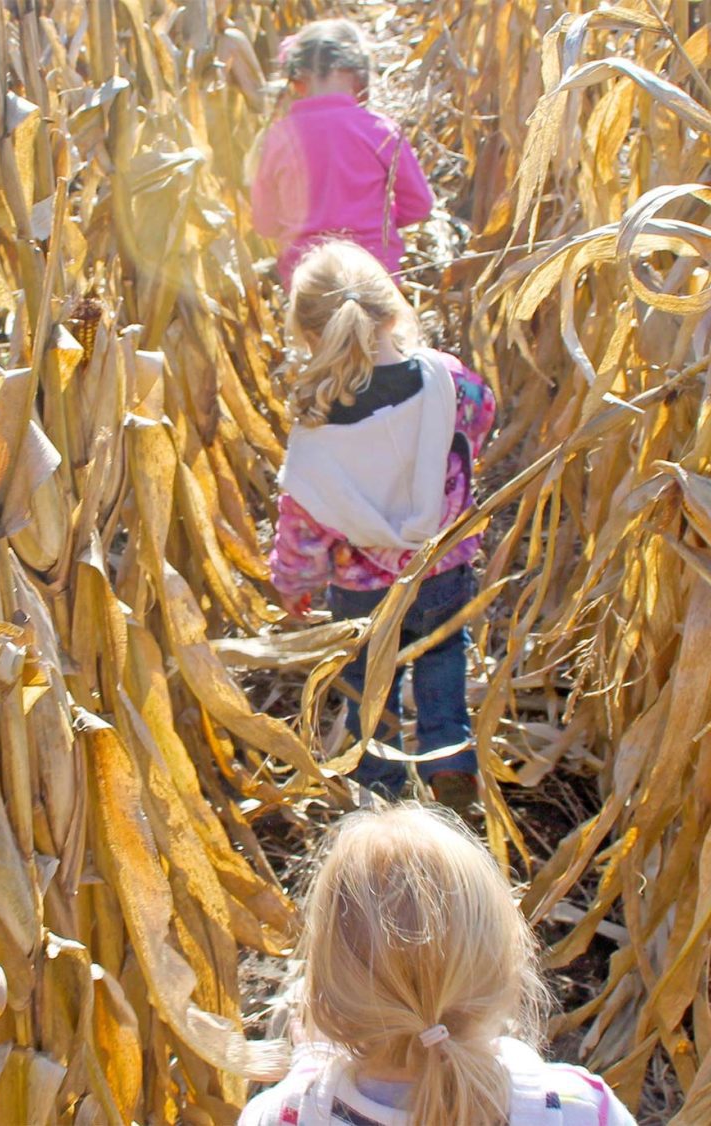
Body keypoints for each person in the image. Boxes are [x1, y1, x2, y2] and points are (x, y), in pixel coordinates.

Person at [240, 805, 636, 1126]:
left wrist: (307, 1073)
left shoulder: (279, 1117)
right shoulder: (580, 1109)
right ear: (507, 970)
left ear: (323, 998)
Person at [269, 241, 493, 806]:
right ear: (391, 310)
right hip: (444, 570)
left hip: (364, 593)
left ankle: (381, 789)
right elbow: (480, 417)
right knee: (441, 658)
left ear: (311, 336)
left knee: (373, 687)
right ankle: (451, 755)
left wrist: (294, 582)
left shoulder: (319, 432)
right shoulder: (449, 382)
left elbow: (305, 524)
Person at [250, 19, 435, 284]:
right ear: (358, 76)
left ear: (297, 80)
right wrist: (377, 221)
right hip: (374, 269)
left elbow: (265, 223)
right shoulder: (380, 130)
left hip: (306, 273)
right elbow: (420, 205)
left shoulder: (278, 137)